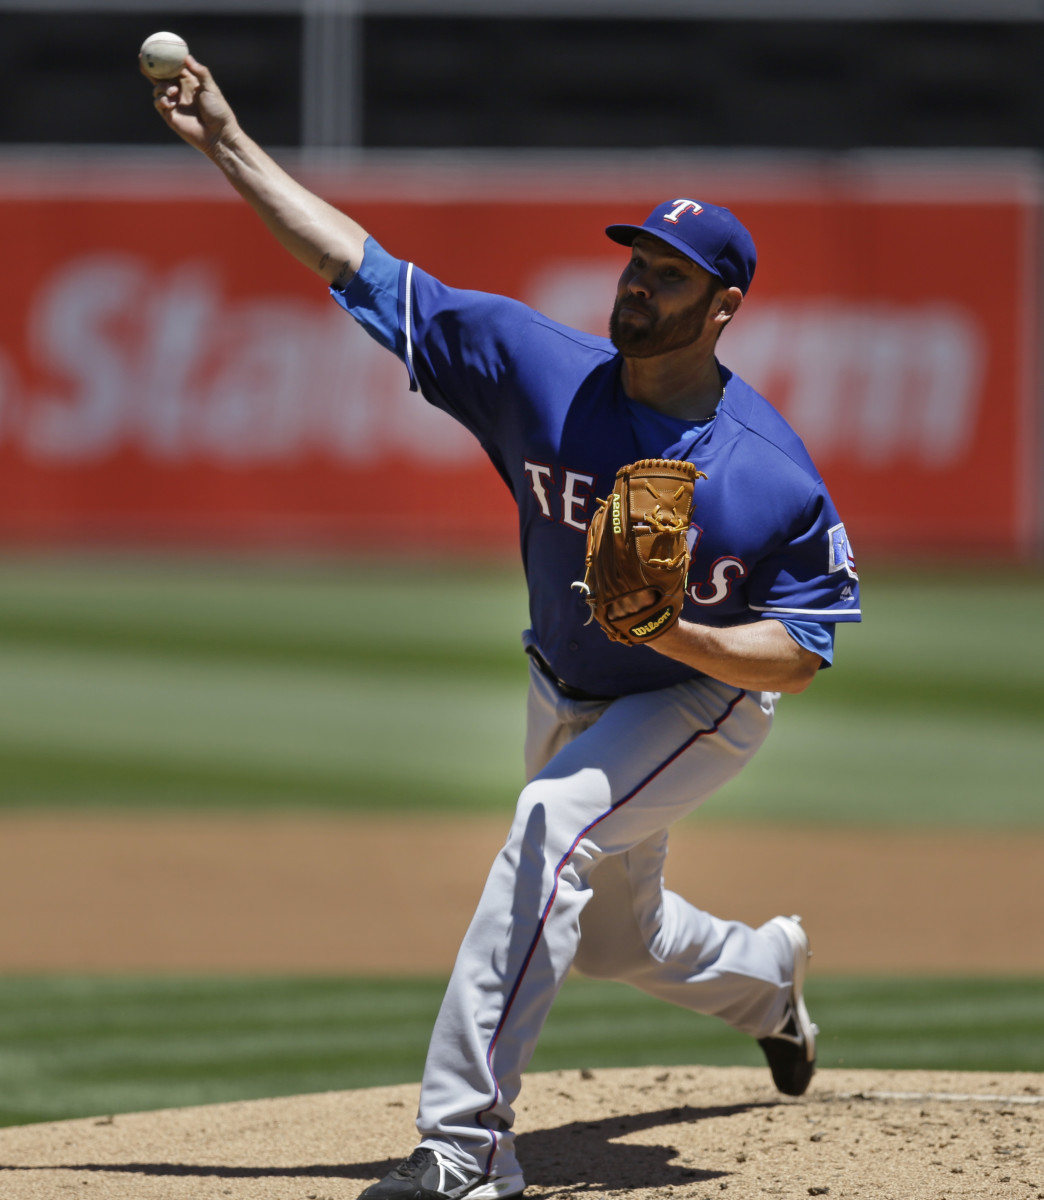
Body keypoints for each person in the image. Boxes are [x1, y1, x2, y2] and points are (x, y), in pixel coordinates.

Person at [147, 56, 861, 1200]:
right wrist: (226, 142)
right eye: (636, 261)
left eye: (669, 277)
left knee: (552, 822)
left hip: (701, 699)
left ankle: (468, 1149)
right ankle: (766, 976)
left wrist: (683, 639)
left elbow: (806, 648)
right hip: (568, 687)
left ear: (723, 308)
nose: (638, 286)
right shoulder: (542, 370)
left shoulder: (765, 473)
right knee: (619, 941)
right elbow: (360, 266)